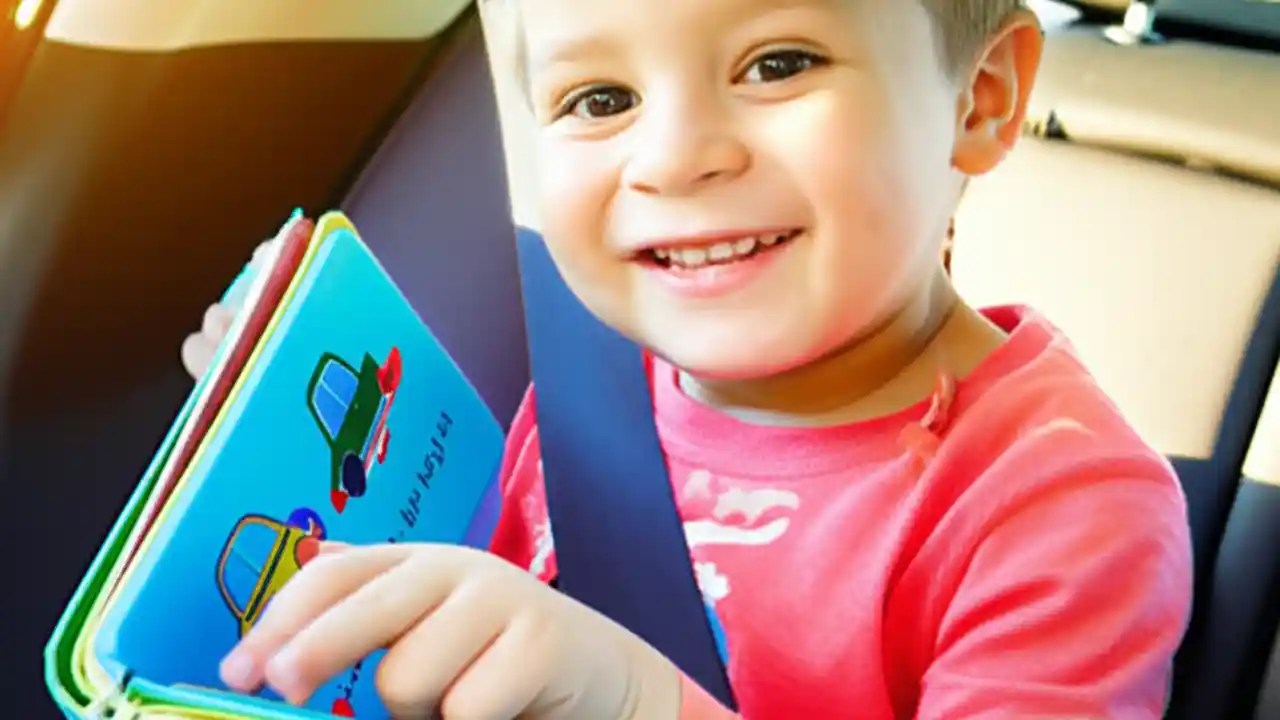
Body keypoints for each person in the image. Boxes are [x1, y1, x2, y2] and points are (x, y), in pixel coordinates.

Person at [185, 0, 1194, 717]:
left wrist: (632, 699)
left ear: (976, 99)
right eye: (598, 98)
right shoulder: (590, 388)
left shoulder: (1055, 504)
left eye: (777, 62)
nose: (672, 157)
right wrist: (266, 420)